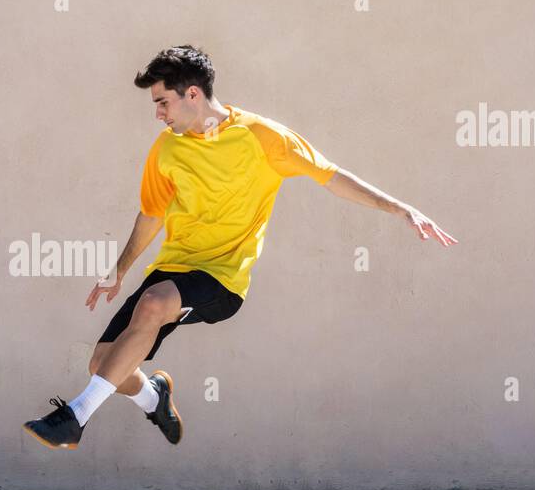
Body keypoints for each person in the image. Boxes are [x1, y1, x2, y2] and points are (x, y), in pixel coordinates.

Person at [23, 45, 457, 449]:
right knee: (103, 366)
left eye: (163, 102)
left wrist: (401, 209)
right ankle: (153, 397)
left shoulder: (262, 137)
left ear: (192, 94)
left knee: (153, 305)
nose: (157, 113)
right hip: (174, 270)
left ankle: (75, 419)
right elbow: (151, 215)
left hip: (224, 280)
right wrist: (119, 270)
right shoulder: (166, 151)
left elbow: (331, 176)